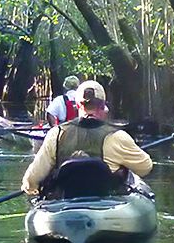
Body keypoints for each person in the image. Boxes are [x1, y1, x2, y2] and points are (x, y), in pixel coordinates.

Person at [22, 80, 153, 196]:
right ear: (104, 107)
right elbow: (145, 167)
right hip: (108, 207)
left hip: (64, 208)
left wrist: (33, 189)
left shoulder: (56, 134)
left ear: (78, 106)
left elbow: (31, 181)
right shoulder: (117, 137)